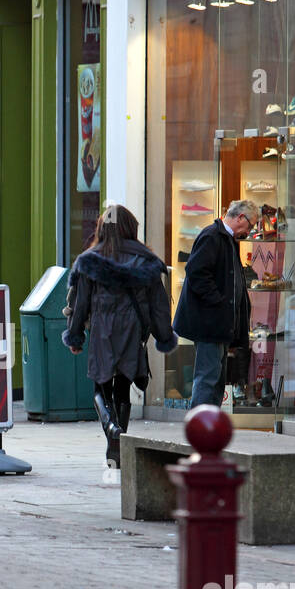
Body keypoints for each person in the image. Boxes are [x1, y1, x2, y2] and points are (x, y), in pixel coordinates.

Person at [63, 204, 178, 468]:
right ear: (130, 227)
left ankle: (112, 429)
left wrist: (75, 335)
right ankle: (119, 443)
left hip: (103, 329)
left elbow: (80, 303)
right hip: (133, 330)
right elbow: (159, 304)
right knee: (123, 387)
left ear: (102, 228)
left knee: (99, 386)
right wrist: (163, 336)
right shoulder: (147, 261)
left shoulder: (90, 260)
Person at [173, 199, 259, 409]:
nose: (250, 231)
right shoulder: (212, 236)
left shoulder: (225, 239)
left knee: (216, 379)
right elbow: (196, 273)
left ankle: (208, 426)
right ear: (240, 218)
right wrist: (219, 304)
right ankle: (200, 428)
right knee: (208, 377)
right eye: (251, 225)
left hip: (218, 323)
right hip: (210, 323)